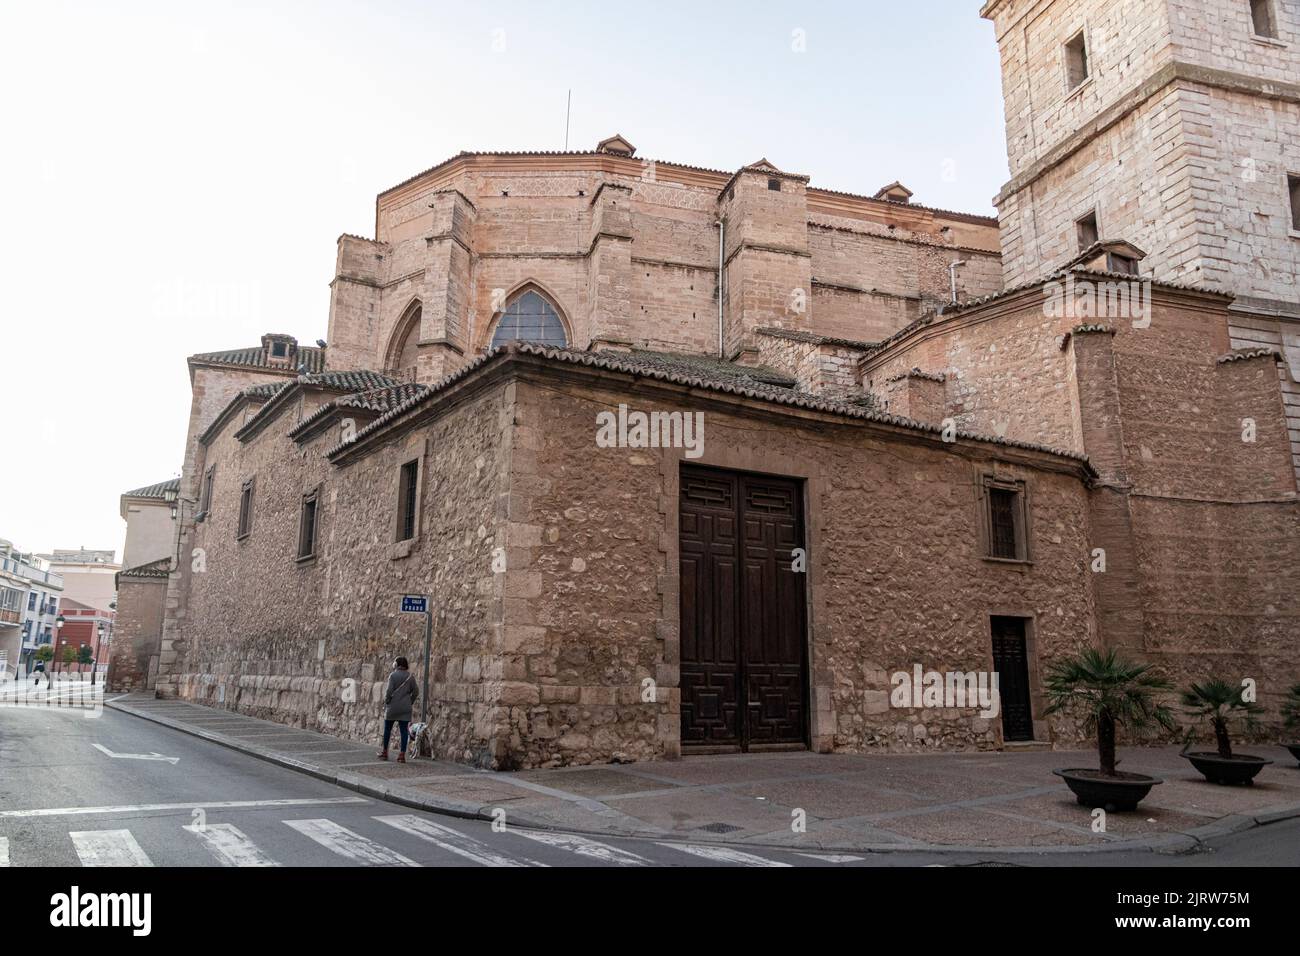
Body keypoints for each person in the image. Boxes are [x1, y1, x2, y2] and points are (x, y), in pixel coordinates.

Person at [378, 657, 419, 763]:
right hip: (405, 708)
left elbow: (389, 691)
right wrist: (410, 701)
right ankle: (401, 755)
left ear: (396, 664)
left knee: (387, 729)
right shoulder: (410, 677)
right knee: (404, 732)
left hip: (392, 707)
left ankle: (385, 752)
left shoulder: (393, 675)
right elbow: (416, 691)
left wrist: (387, 701)